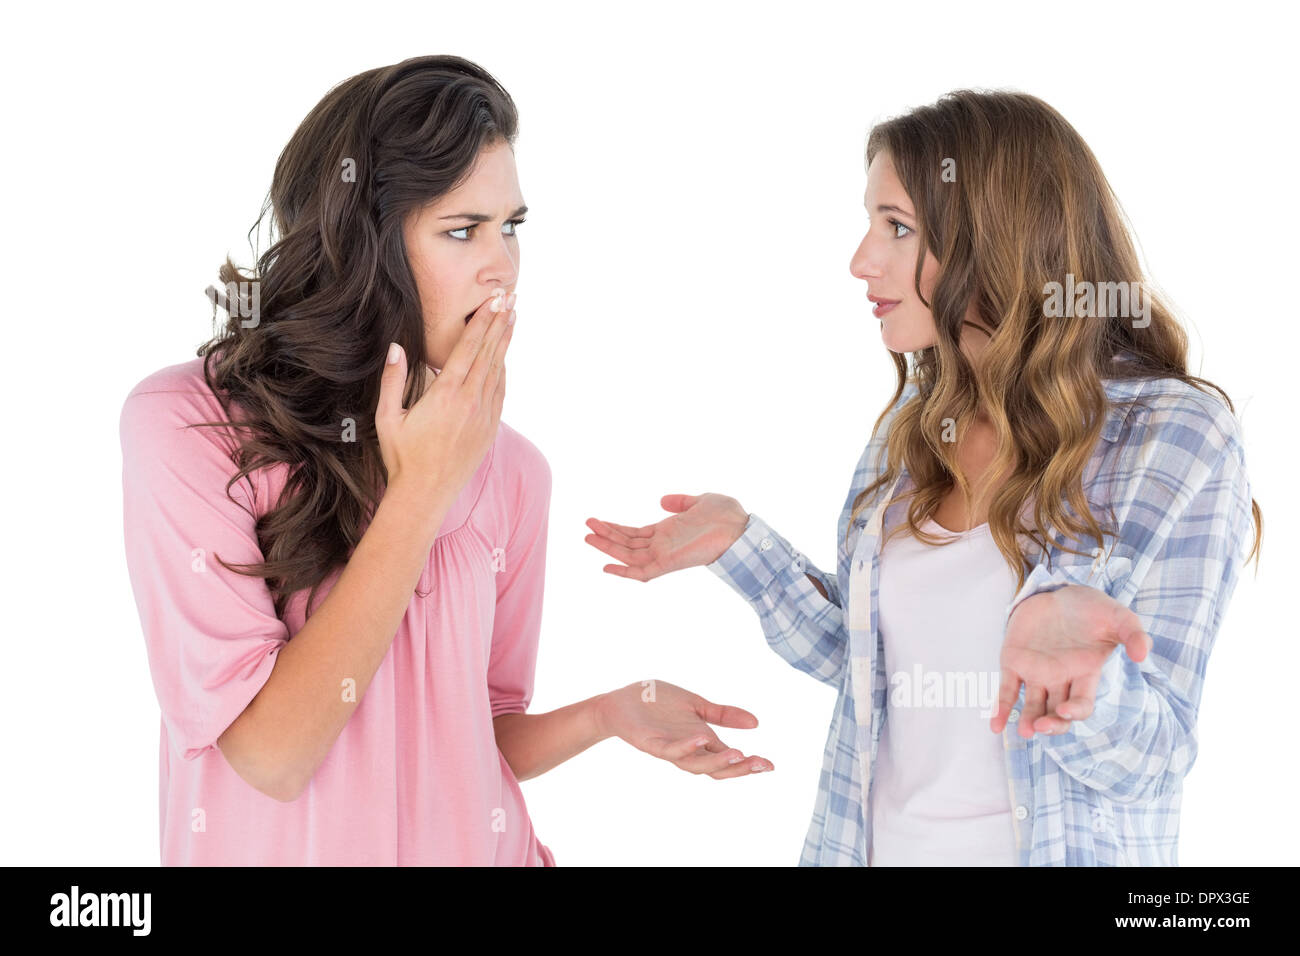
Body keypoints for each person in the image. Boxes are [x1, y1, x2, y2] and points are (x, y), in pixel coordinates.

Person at [120, 54, 771, 867]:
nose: (503, 265)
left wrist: (608, 713)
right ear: (357, 245)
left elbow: (475, 731)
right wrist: (420, 491)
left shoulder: (515, 472)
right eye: (462, 230)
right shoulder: (189, 427)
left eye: (513, 227)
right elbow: (270, 757)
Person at [585, 89, 1263, 866]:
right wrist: (744, 548)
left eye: (897, 228)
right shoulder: (917, 420)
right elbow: (867, 666)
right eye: (872, 222)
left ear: (1001, 239)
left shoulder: (1170, 435)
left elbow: (1157, 757)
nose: (860, 261)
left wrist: (1085, 686)